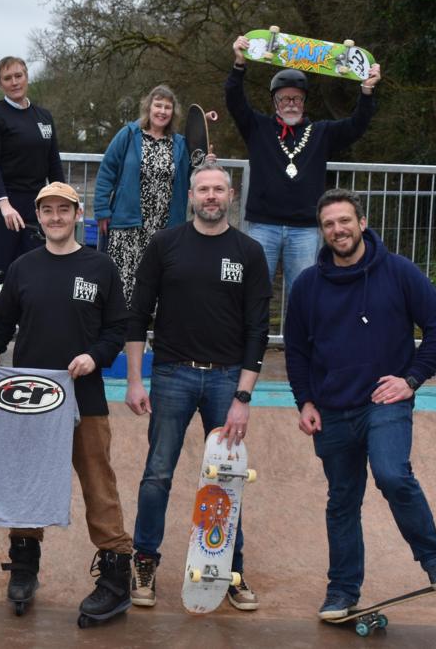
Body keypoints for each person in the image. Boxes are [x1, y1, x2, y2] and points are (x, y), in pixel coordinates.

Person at [283, 188, 436, 620]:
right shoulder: (308, 285)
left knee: (392, 473)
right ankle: (342, 592)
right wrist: (304, 400)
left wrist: (411, 379)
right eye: (329, 224)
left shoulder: (398, 272)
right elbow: (296, 351)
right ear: (322, 231)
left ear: (362, 223)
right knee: (342, 500)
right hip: (331, 409)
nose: (338, 230)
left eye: (345, 221)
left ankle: (435, 560)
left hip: (385, 402)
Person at [0, 181, 134, 623]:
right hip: (30, 400)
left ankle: (116, 576)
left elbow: (116, 329)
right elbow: (2, 321)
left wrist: (95, 356)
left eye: (64, 210)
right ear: (38, 217)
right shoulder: (23, 267)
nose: (56, 217)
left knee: (99, 486)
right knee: (28, 482)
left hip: (85, 395)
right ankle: (24, 567)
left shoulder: (101, 267)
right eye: (48, 211)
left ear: (77, 214)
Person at [123, 161, 271, 611]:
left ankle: (229, 570)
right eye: (203, 189)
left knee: (227, 480)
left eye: (218, 190)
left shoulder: (249, 252)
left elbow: (257, 329)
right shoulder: (165, 245)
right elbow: (137, 315)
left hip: (228, 378)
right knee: (158, 475)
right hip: (172, 374)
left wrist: (243, 397)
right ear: (190, 196)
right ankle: (145, 562)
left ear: (231, 197)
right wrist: (134, 379)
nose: (211, 196)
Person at [226, 36, 381, 300]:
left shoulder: (321, 132)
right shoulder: (258, 127)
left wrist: (366, 90)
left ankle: (300, 342)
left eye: (297, 98)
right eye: (284, 98)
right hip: (263, 225)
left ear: (304, 101)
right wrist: (239, 64)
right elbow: (235, 101)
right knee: (253, 293)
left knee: (305, 295)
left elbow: (356, 125)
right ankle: (252, 342)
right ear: (275, 101)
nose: (291, 103)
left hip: (306, 229)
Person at [93, 85, 193, 306]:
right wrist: (101, 210)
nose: (162, 111)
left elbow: (194, 172)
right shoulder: (128, 134)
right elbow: (107, 171)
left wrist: (207, 156)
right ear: (149, 107)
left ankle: (147, 336)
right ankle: (119, 335)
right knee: (122, 286)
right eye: (158, 105)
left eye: (168, 107)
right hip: (127, 226)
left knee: (158, 286)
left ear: (173, 112)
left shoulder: (179, 144)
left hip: (164, 229)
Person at [0, 56, 65, 282]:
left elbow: (53, 163)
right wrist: (4, 205)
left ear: (27, 78)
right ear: (0, 84)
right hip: (1, 203)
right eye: (7, 78)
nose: (14, 82)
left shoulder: (44, 117)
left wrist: (64, 203)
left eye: (18, 76)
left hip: (34, 202)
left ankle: (28, 318)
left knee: (33, 269)